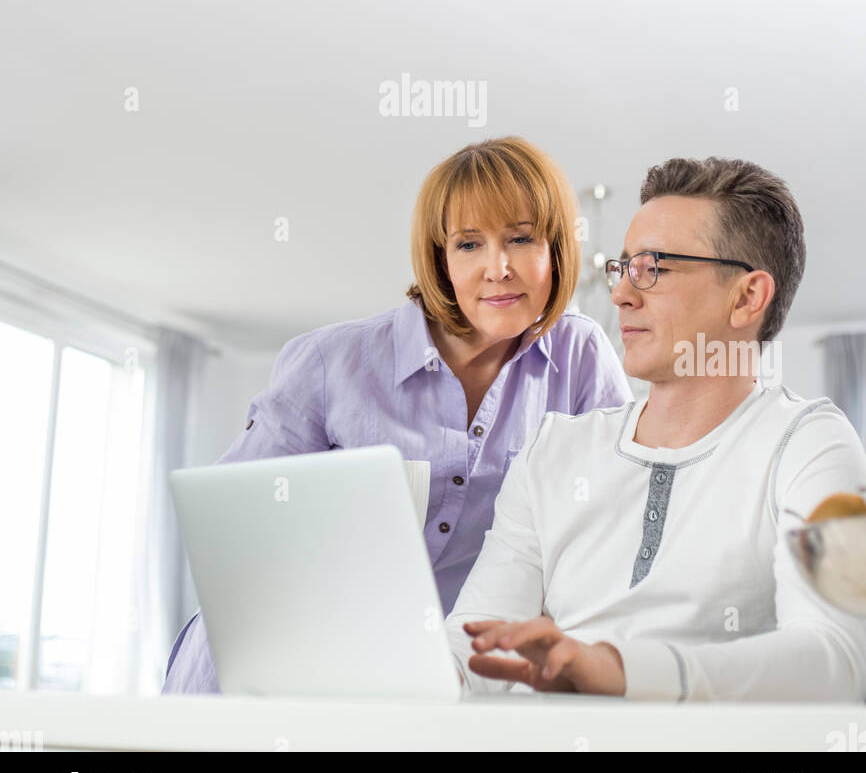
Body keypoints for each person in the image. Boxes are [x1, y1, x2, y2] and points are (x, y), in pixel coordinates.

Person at [162, 136, 632, 692]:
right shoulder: (331, 362)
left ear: (556, 247)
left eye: (521, 239)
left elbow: (615, 518)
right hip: (272, 668)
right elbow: (231, 523)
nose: (497, 268)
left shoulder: (579, 359)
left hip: (434, 684)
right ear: (440, 259)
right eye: (468, 245)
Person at [446, 155, 866, 702]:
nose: (621, 293)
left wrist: (620, 670)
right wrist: (418, 667)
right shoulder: (553, 452)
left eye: (654, 268)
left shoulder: (810, 444)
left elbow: (842, 657)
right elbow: (477, 645)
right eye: (622, 269)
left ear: (747, 297)